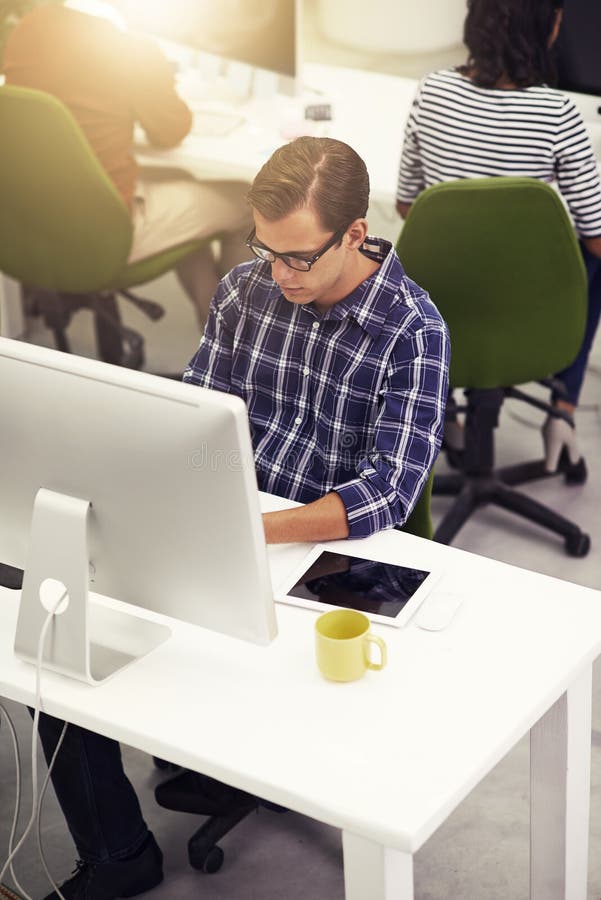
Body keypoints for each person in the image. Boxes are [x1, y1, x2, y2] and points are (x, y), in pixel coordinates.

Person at [33, 136, 449, 899]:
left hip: (327, 560)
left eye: (299, 257)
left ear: (355, 234)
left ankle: (214, 752)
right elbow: (193, 410)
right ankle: (118, 852)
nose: (279, 274)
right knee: (56, 626)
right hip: (225, 524)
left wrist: (251, 531)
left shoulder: (411, 330)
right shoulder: (244, 288)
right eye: (266, 249)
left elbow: (388, 491)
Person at [396, 0, 601, 475]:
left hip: (440, 313)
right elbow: (597, 239)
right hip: (530, 320)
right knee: (593, 259)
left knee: (444, 253)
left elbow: (409, 206)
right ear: (550, 27)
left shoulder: (432, 91)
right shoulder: (558, 114)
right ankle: (562, 413)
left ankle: (443, 411)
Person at [1, 0, 252, 329]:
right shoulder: (130, 47)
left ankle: (213, 325)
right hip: (104, 234)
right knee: (250, 202)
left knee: (183, 190)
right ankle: (232, 337)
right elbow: (171, 131)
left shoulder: (29, 27)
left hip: (34, 222)